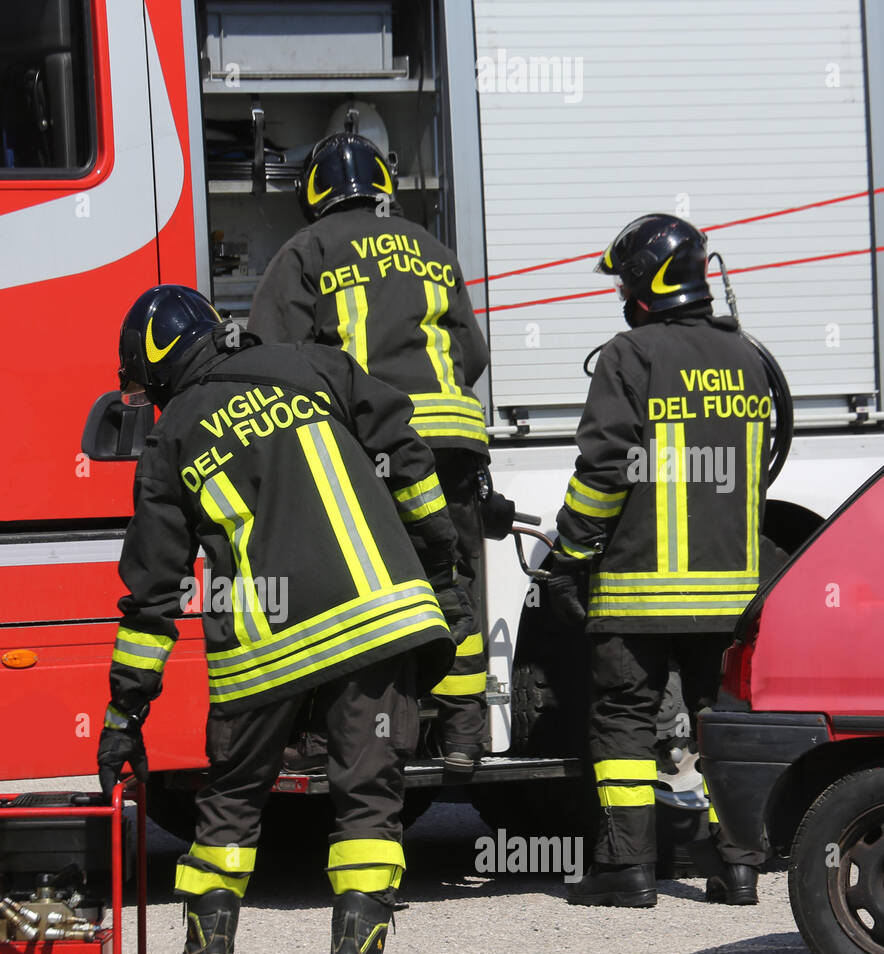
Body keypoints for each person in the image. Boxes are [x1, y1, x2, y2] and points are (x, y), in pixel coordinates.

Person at [97, 284, 471, 954]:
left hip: (262, 651)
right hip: (374, 620)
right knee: (368, 803)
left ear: (158, 373)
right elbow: (405, 445)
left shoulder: (170, 440)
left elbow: (151, 596)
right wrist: (440, 550)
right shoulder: (312, 364)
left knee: (228, 807)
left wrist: (123, 714)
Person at [249, 131, 499, 774]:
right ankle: (464, 735)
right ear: (384, 187)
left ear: (314, 192)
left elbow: (273, 360)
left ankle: (366, 734)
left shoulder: (307, 250)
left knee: (363, 585)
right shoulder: (433, 249)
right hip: (454, 442)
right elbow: (471, 353)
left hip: (374, 443)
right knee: (451, 578)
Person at [551, 214, 774, 908]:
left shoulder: (630, 355)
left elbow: (602, 470)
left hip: (638, 588)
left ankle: (628, 867)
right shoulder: (749, 358)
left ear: (646, 284)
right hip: (731, 593)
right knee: (722, 718)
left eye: (625, 280)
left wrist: (568, 552)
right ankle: (738, 865)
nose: (622, 292)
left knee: (624, 719)